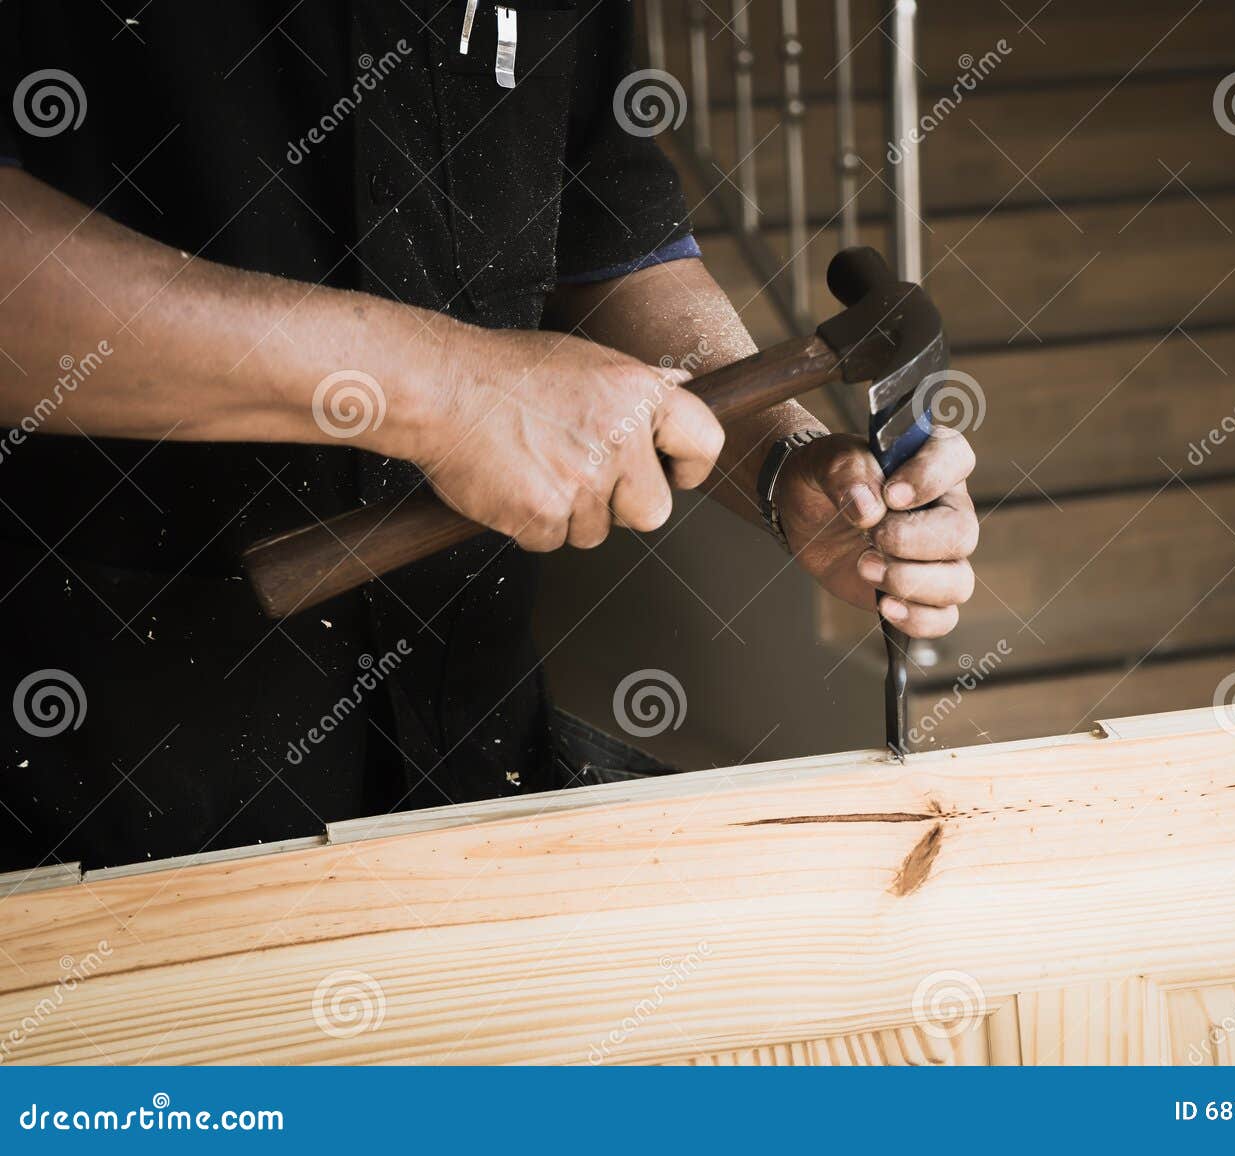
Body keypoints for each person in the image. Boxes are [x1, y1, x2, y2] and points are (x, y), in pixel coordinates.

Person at [0, 2, 979, 872]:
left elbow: (607, 235)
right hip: (97, 781)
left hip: (468, 742)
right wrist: (448, 391)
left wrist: (780, 459)